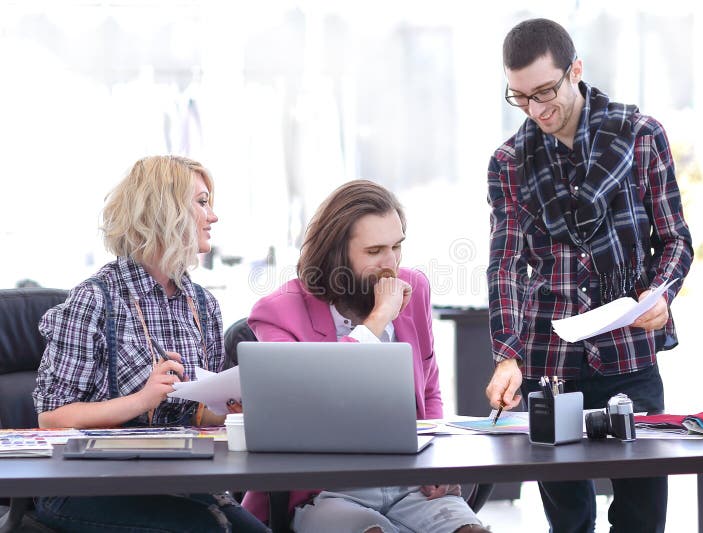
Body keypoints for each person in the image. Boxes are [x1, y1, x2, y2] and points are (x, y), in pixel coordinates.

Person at [484, 19, 693, 533]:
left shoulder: (641, 137)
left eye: (546, 92)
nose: (537, 110)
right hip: (548, 363)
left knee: (643, 516)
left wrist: (658, 293)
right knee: (568, 522)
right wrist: (507, 352)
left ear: (575, 69)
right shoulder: (509, 162)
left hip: (630, 354)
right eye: (521, 98)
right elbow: (507, 264)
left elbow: (675, 241)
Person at [32, 155, 269, 533]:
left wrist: (231, 407)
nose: (213, 216)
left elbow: (194, 415)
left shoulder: (202, 304)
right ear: (165, 211)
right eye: (203, 202)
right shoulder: (96, 299)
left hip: (177, 480)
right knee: (213, 529)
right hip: (86, 486)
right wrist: (140, 400)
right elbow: (51, 419)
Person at [242, 180, 488, 533]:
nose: (391, 265)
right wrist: (378, 320)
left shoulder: (413, 288)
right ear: (336, 254)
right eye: (375, 252)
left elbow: (429, 391)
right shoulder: (277, 312)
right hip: (328, 490)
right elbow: (313, 396)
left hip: (409, 482)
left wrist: (437, 467)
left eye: (397, 247)